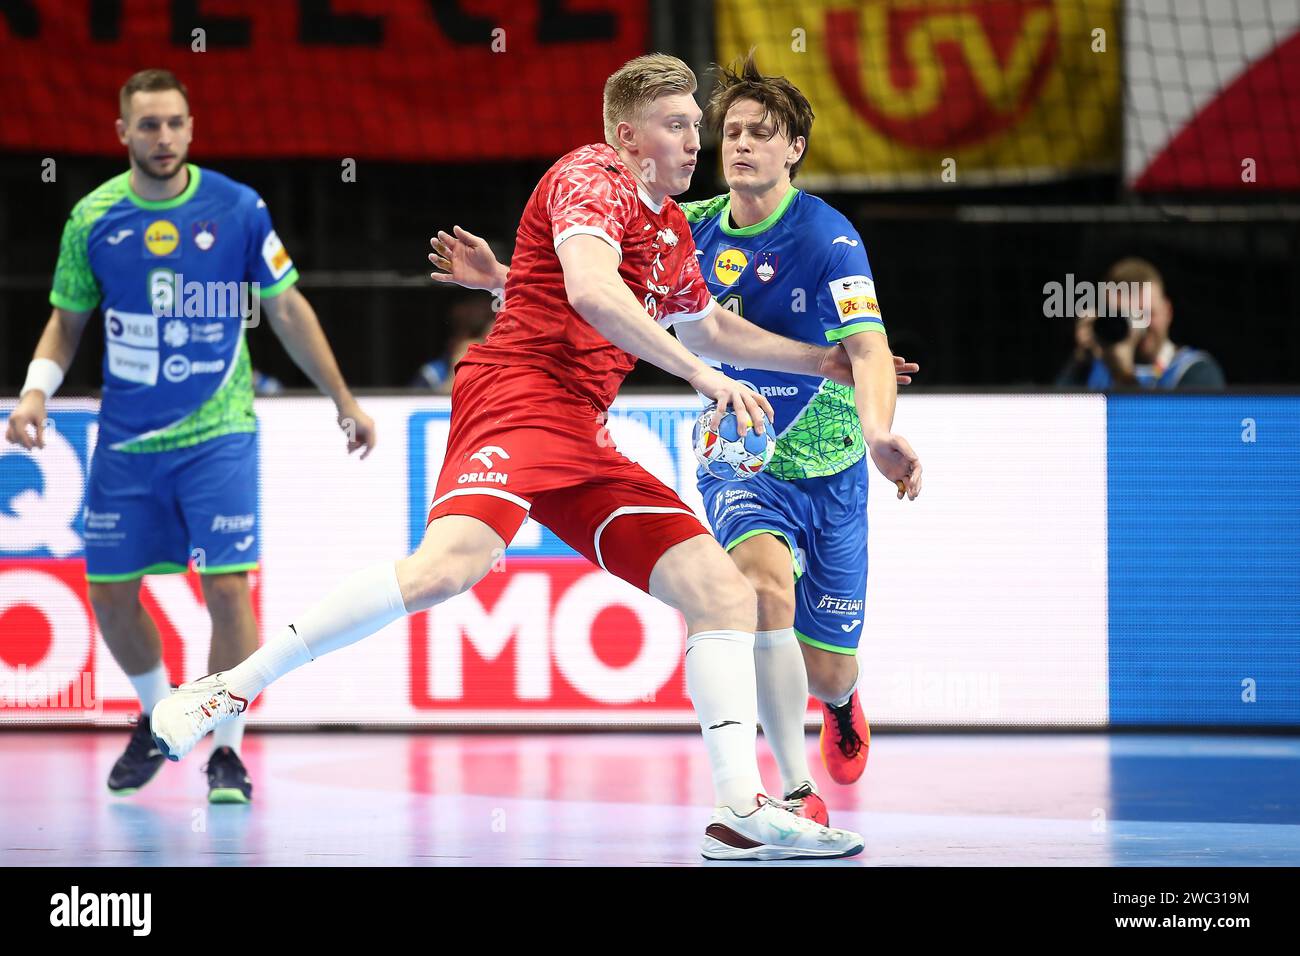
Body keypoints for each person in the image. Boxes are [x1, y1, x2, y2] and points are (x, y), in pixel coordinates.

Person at [151, 54, 920, 860]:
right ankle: (225, 689)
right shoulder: (592, 174)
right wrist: (701, 378)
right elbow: (592, 290)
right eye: (680, 125)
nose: (699, 141)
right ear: (629, 135)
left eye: (700, 125)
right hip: (515, 400)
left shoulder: (667, 229)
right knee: (446, 571)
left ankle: (739, 810)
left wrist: (820, 359)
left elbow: (713, 329)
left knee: (720, 591)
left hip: (584, 432)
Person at [428, 53, 923, 826]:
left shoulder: (831, 238)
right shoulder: (679, 222)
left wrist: (878, 428)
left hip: (829, 459)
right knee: (759, 596)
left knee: (827, 668)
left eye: (762, 133)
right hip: (738, 453)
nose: (739, 145)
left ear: (795, 147)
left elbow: (866, 350)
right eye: (730, 132)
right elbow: (596, 284)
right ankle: (794, 790)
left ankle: (840, 701)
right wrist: (501, 280)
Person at [4, 69, 376, 804]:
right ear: (122, 134)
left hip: (219, 434)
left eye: (175, 123)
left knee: (228, 590)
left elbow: (287, 308)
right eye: (148, 126)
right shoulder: (93, 219)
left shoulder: (238, 209)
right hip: (126, 441)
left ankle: (226, 752)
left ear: (191, 128)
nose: (164, 138)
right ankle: (155, 716)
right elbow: (66, 319)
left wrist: (342, 398)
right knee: (110, 594)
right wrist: (35, 393)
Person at [1056, 257, 1225, 389]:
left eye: (1146, 313)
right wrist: (1080, 360)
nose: (1138, 326)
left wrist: (1123, 376)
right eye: (1124, 317)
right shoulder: (1093, 367)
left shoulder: (1193, 371)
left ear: (1168, 311)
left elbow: (1156, 431)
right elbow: (1057, 423)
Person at [410, 297, 494, 393]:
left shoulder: (499, 373)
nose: (470, 345)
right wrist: (456, 373)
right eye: (463, 331)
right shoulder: (432, 374)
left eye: (475, 335)